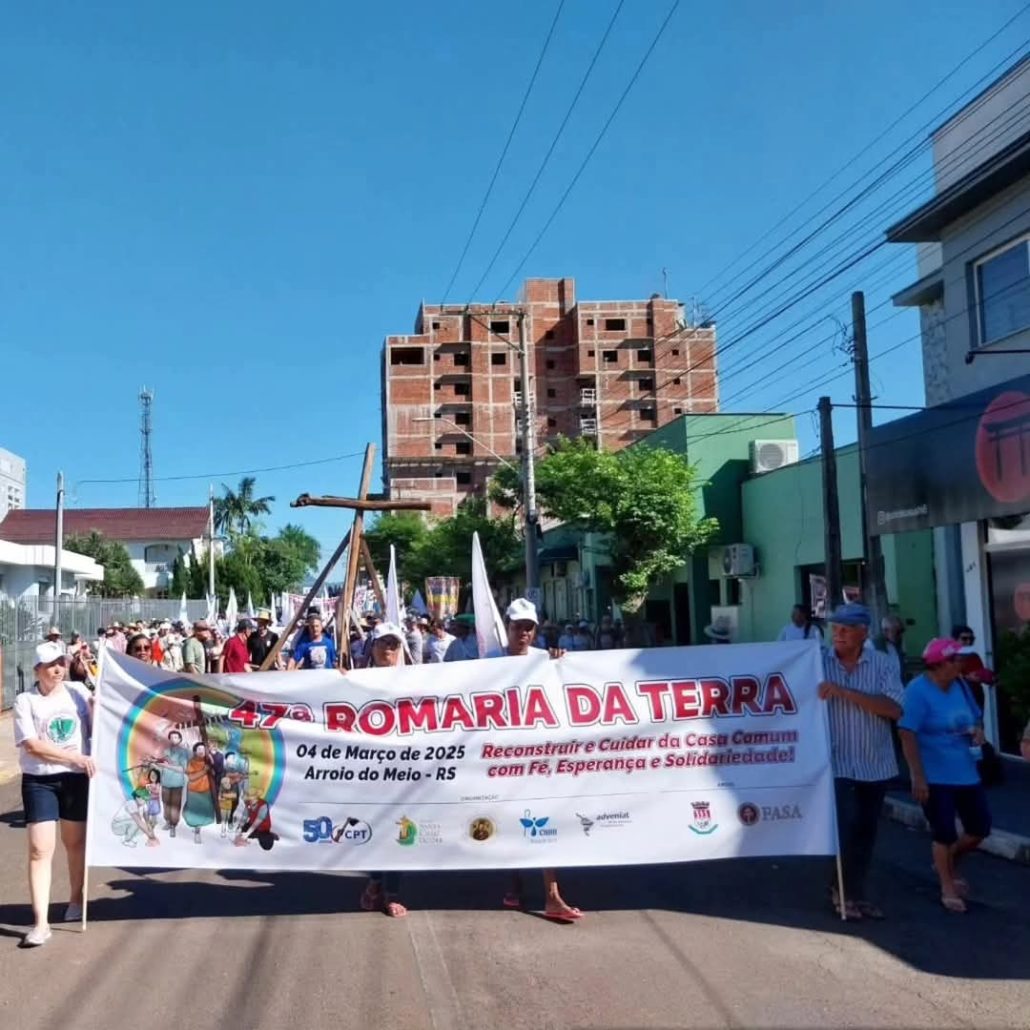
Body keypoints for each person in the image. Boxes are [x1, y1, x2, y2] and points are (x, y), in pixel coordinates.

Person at [486, 599, 579, 921]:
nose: (522, 632)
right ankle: (514, 886)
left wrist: (563, 662)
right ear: (507, 627)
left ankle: (552, 895)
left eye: (529, 627)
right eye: (517, 626)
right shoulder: (490, 662)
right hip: (500, 757)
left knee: (544, 820)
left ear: (535, 630)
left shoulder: (546, 660)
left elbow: (569, 687)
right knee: (510, 822)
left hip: (539, 757)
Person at [818, 602, 904, 921]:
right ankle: (841, 891)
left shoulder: (882, 665)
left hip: (874, 762)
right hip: (836, 763)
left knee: (866, 832)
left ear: (862, 632)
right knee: (844, 827)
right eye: (835, 629)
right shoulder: (817, 663)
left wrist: (844, 692)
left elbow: (894, 708)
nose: (837, 635)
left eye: (845, 629)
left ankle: (855, 891)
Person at [898, 637, 991, 913]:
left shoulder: (961, 685)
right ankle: (947, 884)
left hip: (965, 770)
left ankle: (947, 862)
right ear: (940, 664)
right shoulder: (917, 691)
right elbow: (906, 733)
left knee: (979, 829)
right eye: (956, 660)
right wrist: (918, 776)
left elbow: (975, 717)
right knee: (944, 832)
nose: (961, 664)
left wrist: (977, 730)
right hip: (935, 774)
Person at [13, 641, 96, 946]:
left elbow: (99, 723)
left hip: (75, 781)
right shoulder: (26, 700)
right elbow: (32, 745)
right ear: (38, 669)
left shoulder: (79, 692)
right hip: (39, 781)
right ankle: (41, 923)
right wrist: (74, 757)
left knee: (74, 844)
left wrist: (101, 699)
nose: (58, 669)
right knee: (39, 849)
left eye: (61, 662)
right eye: (50, 664)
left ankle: (76, 899)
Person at [359, 622, 410, 917]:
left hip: (403, 769)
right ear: (373, 646)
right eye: (383, 643)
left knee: (401, 830)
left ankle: (392, 892)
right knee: (374, 829)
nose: (388, 649)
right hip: (368, 768)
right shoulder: (355, 679)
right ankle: (375, 882)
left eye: (394, 644)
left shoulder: (416, 679)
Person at [153, 729, 188, 836]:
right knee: (165, 803)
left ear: (180, 739)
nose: (174, 739)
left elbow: (183, 769)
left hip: (177, 783)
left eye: (176, 737)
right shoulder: (166, 751)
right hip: (165, 782)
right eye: (172, 737)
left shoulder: (183, 752)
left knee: (175, 805)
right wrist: (155, 765)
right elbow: (162, 766)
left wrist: (167, 766)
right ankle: (168, 822)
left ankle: (173, 824)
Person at [183, 742, 216, 843]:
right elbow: (191, 778)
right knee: (195, 812)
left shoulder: (207, 761)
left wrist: (211, 763)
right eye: (199, 749)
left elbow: (213, 773)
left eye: (203, 749)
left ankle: (200, 827)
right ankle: (197, 831)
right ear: (195, 751)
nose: (201, 751)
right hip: (194, 791)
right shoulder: (191, 762)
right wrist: (204, 771)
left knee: (204, 811)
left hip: (206, 789)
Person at [872, 614, 907, 683]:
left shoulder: (894, 645)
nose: (900, 635)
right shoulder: (872, 646)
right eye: (898, 631)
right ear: (886, 631)